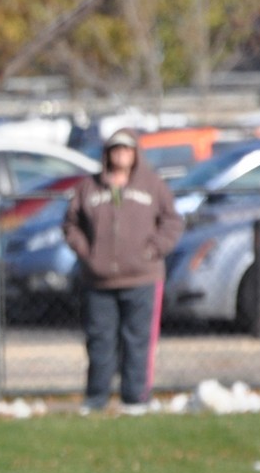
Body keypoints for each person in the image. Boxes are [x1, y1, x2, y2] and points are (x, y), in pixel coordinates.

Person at [63, 128, 184, 413]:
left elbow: (172, 222)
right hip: (99, 280)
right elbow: (71, 224)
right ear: (107, 154)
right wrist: (87, 252)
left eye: (126, 149)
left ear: (135, 153)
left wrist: (153, 250)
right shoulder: (89, 188)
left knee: (137, 341)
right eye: (116, 149)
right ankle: (96, 398)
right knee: (100, 341)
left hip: (142, 278)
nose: (121, 154)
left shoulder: (152, 185)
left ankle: (135, 398)